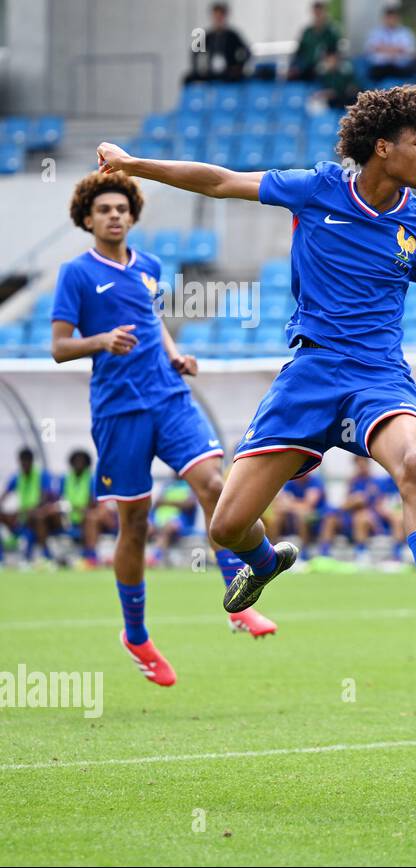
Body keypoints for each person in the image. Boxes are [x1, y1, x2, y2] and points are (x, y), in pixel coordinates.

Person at [95, 85, 416, 658]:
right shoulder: (317, 189)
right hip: (310, 373)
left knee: (414, 464)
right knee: (225, 527)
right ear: (384, 148)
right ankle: (267, 562)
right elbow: (220, 182)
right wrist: (133, 164)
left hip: (379, 376)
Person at [50, 171, 279, 687]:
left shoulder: (150, 266)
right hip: (118, 411)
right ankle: (135, 635)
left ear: (131, 216)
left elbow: (153, 323)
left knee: (217, 487)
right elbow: (60, 346)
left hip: (170, 399)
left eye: (121, 208)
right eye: (103, 209)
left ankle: (236, 600)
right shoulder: (76, 274)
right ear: (88, 219)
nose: (114, 215)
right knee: (136, 524)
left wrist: (176, 356)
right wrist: (100, 341)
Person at [1, 447, 60, 563]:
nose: (25, 464)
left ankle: (44, 554)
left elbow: (46, 498)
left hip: (38, 515)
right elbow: (4, 496)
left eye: (27, 461)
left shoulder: (42, 475)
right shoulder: (16, 477)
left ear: (32, 461)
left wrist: (30, 510)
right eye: (23, 461)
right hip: (23, 516)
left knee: (37, 517)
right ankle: (3, 554)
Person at [60, 448, 107, 567]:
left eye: (81, 462)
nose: (78, 465)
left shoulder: (93, 479)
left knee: (90, 519)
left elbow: (97, 503)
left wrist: (84, 509)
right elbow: (60, 500)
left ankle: (90, 556)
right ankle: (46, 555)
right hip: (69, 517)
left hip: (88, 516)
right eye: (76, 462)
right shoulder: (65, 479)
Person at [185, 3, 251, 85]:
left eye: (220, 17)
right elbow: (194, 53)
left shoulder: (232, 35)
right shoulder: (206, 36)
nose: (218, 19)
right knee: (188, 79)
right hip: (210, 75)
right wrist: (199, 70)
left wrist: (238, 67)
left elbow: (247, 52)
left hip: (228, 75)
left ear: (225, 17)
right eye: (216, 16)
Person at [270, 471, 328, 555]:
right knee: (277, 514)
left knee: (302, 515)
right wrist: (294, 506)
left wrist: (290, 505)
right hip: (294, 514)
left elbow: (308, 505)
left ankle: (304, 551)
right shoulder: (290, 481)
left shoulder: (315, 481)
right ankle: (272, 549)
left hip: (317, 515)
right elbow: (280, 502)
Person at [364, 4, 416, 82]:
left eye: (393, 17)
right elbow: (369, 49)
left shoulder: (406, 33)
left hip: (401, 68)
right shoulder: (376, 32)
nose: (391, 20)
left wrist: (384, 48)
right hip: (380, 69)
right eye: (389, 17)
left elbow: (412, 52)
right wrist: (396, 49)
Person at [289, 1, 342, 82]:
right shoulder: (307, 32)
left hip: (323, 70)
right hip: (306, 69)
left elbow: (335, 54)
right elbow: (299, 53)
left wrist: (328, 63)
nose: (317, 15)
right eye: (315, 12)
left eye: (320, 12)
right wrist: (294, 67)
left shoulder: (331, 32)